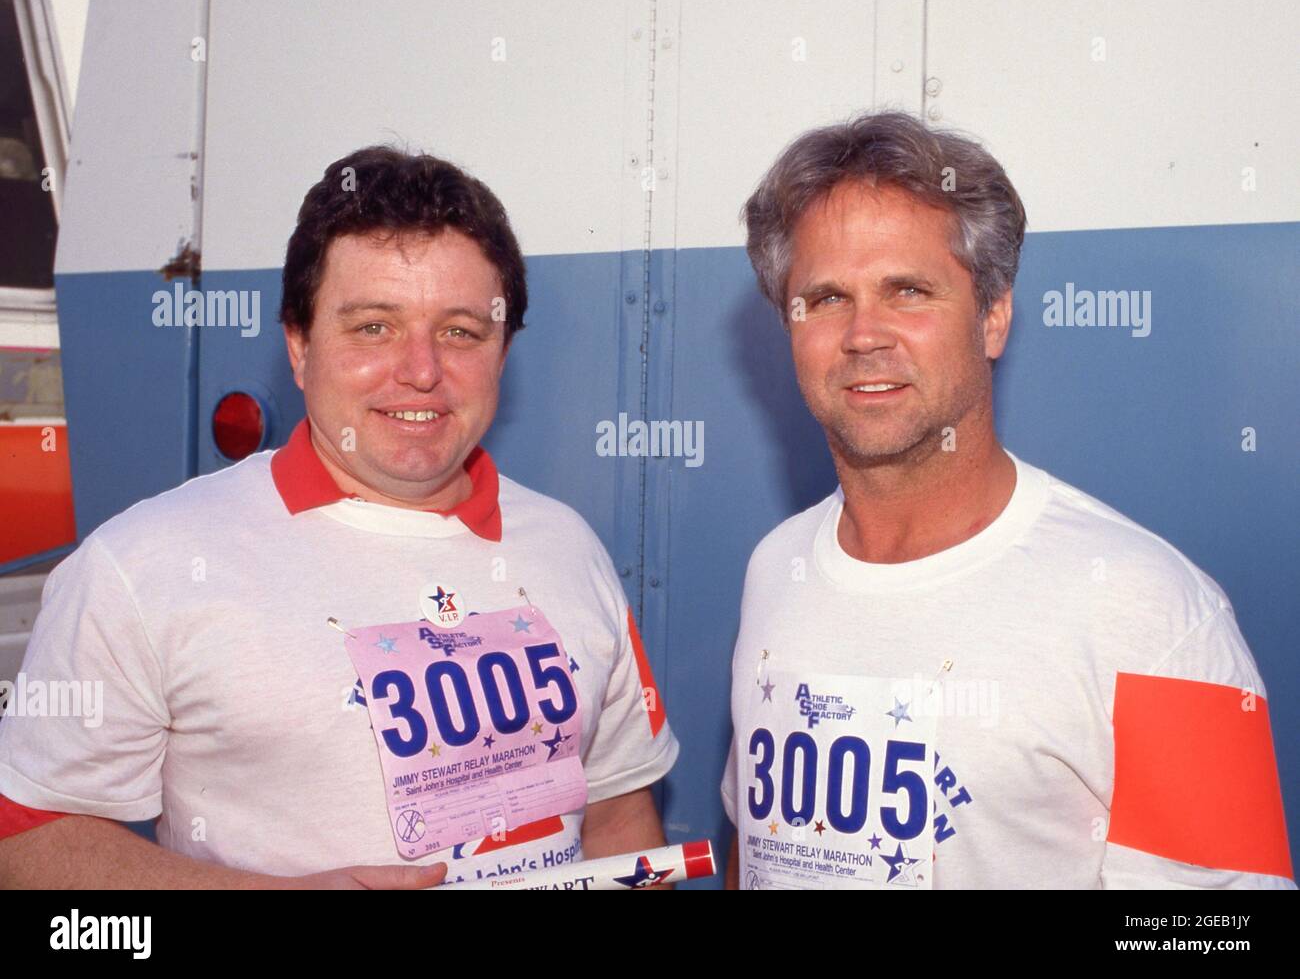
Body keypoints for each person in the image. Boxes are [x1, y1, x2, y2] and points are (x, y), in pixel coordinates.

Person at [0, 146, 678, 888]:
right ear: (299, 344)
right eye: (373, 327)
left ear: (504, 349)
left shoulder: (568, 547)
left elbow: (616, 810)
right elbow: (28, 844)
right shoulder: (140, 567)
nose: (421, 369)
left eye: (460, 330)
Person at [721, 111, 1294, 889]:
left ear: (993, 316)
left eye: (908, 290)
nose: (864, 334)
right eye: (824, 299)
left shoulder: (1159, 612)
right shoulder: (775, 567)